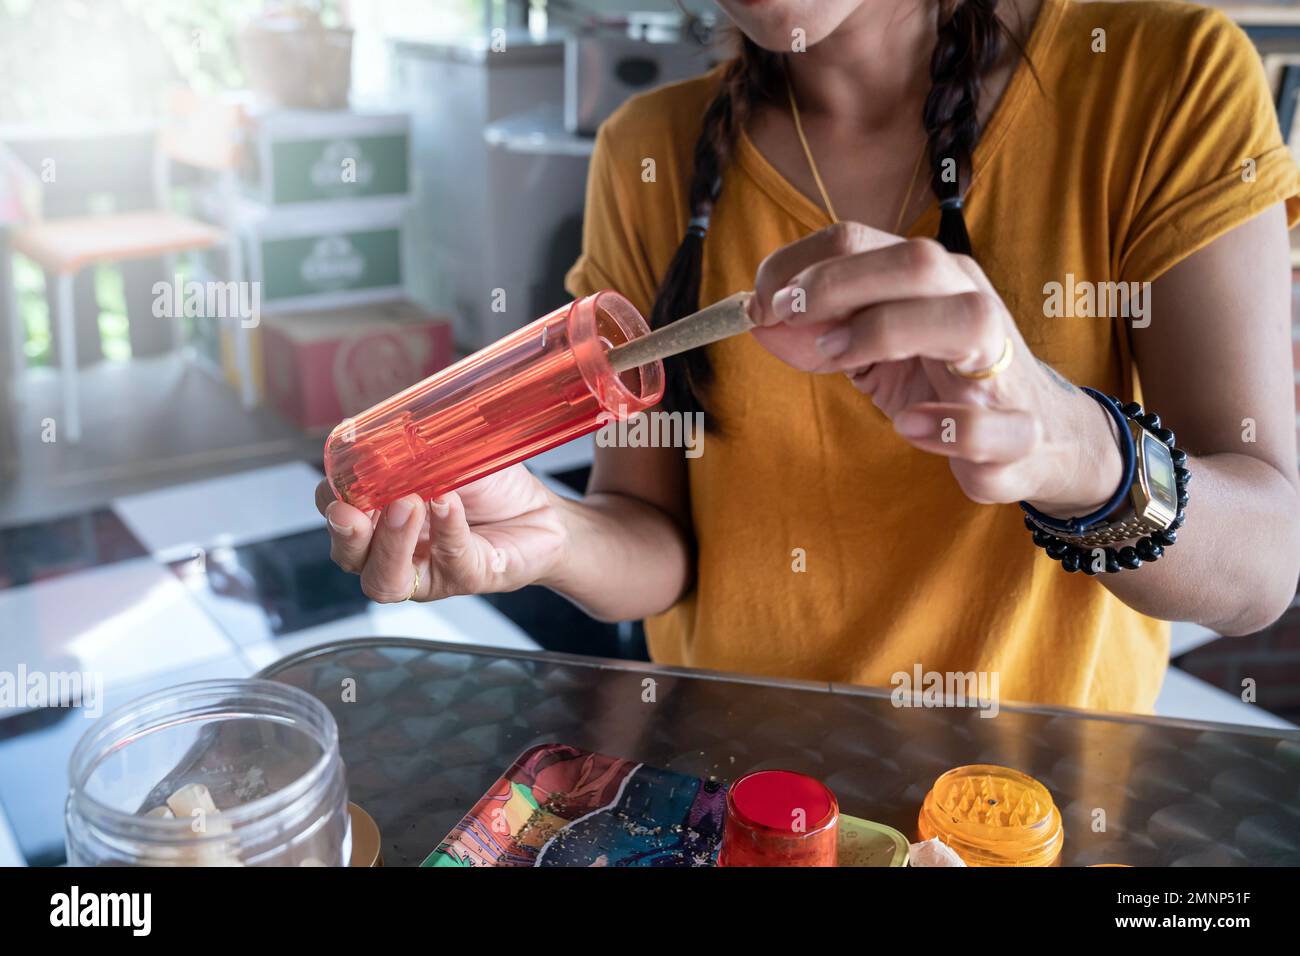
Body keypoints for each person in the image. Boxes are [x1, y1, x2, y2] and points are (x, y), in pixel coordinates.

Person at [317, 0, 1300, 713]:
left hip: (1025, 817)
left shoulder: (1162, 80)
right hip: (736, 790)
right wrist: (549, 534)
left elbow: (1260, 565)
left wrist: (1064, 444)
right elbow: (658, 543)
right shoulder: (648, 151)